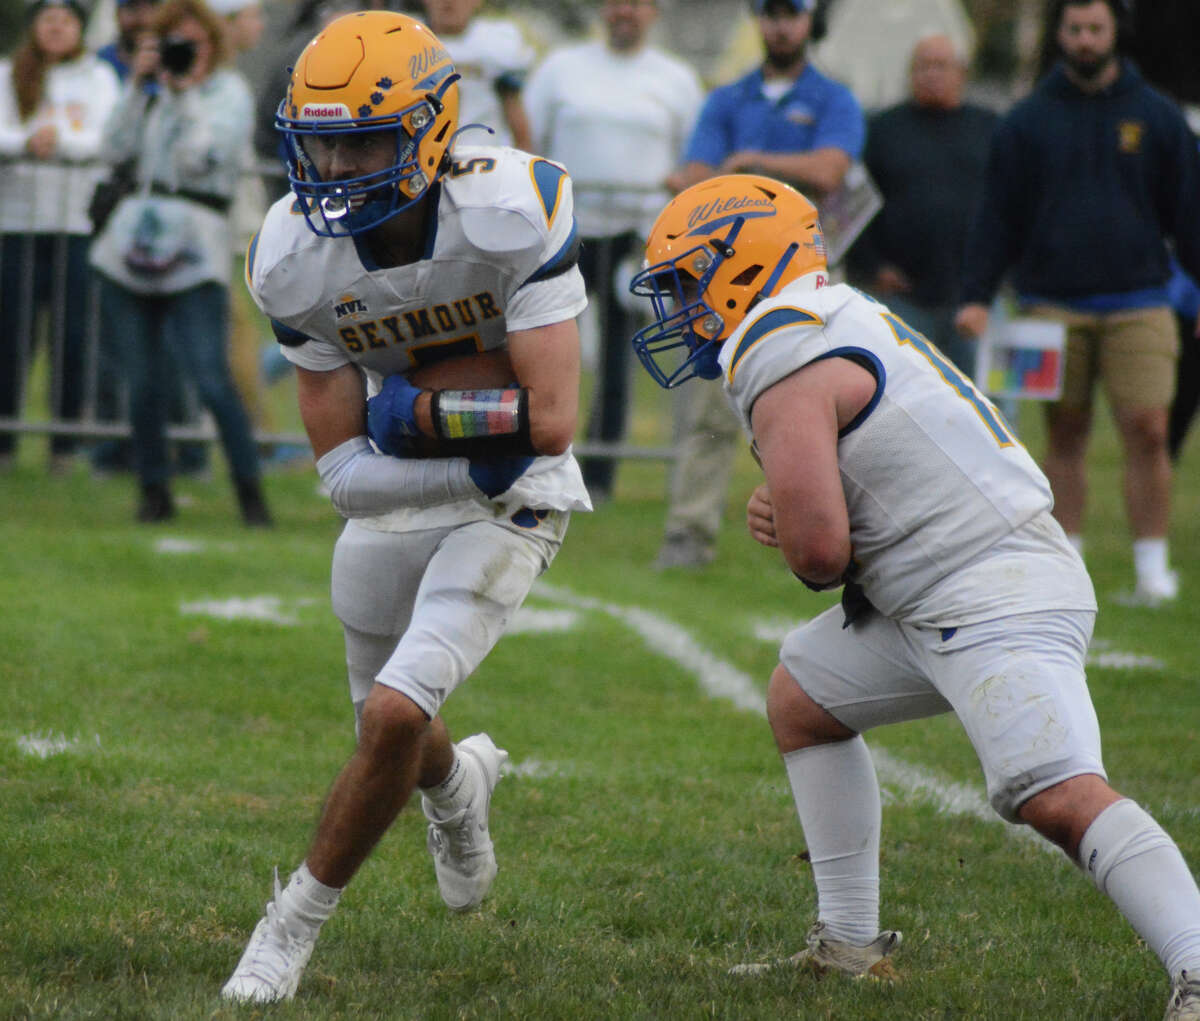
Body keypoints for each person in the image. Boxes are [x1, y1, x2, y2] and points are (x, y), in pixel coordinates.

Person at [628, 171, 1200, 1019]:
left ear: (738, 264)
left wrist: (793, 516)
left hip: (988, 586)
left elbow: (821, 552)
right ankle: (850, 943)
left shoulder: (777, 346)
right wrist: (793, 498)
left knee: (1054, 792)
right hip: (949, 579)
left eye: (683, 282)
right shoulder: (825, 314)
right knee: (806, 696)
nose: (677, 308)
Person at [221, 11, 590, 1002]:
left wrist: (417, 414)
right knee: (390, 734)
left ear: (431, 129)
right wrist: (464, 454)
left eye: (363, 140)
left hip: (516, 498)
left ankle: (289, 923)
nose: (336, 164)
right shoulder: (295, 255)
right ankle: (460, 788)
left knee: (392, 711)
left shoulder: (508, 207)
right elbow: (341, 471)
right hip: (411, 491)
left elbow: (550, 424)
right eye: (321, 139)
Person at [954, 0, 1200, 605]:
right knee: (1062, 431)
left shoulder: (1159, 117)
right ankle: (1069, 564)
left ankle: (1152, 570)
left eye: (1095, 29)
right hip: (1047, 306)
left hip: (1141, 302)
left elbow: (1190, 211)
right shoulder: (1025, 121)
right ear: (1060, 36)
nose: (1085, 40)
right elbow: (996, 218)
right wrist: (977, 296)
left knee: (1148, 429)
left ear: (1117, 32)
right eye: (1074, 29)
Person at [654, 0, 863, 568]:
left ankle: (850, 536)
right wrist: (720, 174)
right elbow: (692, 173)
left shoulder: (833, 97)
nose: (779, 26)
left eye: (790, 14)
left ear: (808, 22)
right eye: (770, 14)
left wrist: (747, 163)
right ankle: (687, 535)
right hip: (732, 279)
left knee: (836, 411)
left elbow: (830, 171)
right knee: (709, 412)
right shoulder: (726, 98)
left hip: (810, 277)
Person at [88, 0, 271, 524]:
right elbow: (113, 149)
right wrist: (138, 89)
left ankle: (249, 492)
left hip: (196, 245)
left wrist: (186, 96)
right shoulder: (150, 91)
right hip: (131, 244)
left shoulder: (228, 93)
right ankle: (153, 492)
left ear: (214, 45)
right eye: (174, 41)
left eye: (195, 43)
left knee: (210, 376)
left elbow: (204, 158)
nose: (184, 52)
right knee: (143, 382)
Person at [523, 0, 703, 500]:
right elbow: (529, 141)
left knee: (618, 362)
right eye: (616, 3)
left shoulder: (677, 79)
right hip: (567, 234)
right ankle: (542, 459)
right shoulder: (561, 69)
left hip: (636, 239)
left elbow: (692, 159)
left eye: (637, 4)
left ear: (655, 13)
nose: (625, 12)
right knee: (549, 351)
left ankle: (599, 477)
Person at [0, 0, 120, 472]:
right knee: (11, 337)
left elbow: (107, 136)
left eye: (65, 20)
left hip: (75, 226)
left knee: (73, 339)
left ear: (79, 29)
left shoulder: (97, 79)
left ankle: (64, 445)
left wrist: (61, 145)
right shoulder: (10, 73)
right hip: (18, 224)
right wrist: (25, 143)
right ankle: (6, 441)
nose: (55, 28)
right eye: (47, 19)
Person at [847, 32, 997, 377]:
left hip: (974, 300)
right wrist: (872, 267)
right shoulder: (881, 130)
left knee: (983, 405)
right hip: (901, 298)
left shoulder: (991, 129)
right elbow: (852, 206)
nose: (931, 74)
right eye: (922, 66)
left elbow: (1011, 205)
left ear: (962, 72)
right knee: (900, 395)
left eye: (941, 65)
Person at [420, 0, 534, 151]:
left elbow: (515, 112)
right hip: (421, 157)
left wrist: (524, 159)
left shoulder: (497, 41)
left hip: (482, 156)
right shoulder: (405, 38)